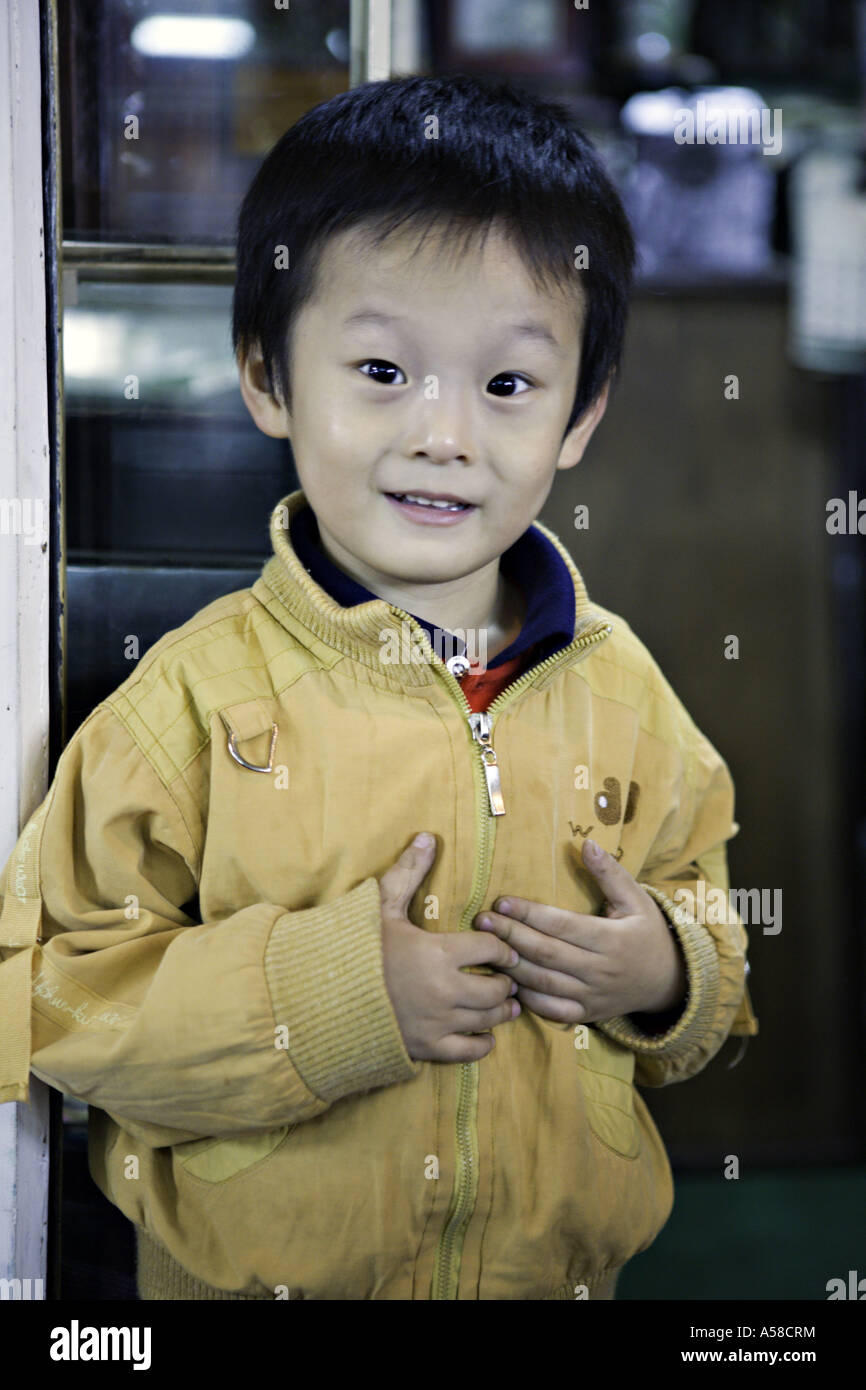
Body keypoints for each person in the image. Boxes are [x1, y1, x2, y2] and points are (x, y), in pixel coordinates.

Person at [0, 73, 758, 1301]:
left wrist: (664, 968)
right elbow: (50, 995)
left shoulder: (620, 687)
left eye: (507, 385)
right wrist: (340, 998)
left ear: (580, 414)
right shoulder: (187, 702)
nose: (444, 433)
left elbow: (713, 915)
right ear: (266, 377)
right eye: (380, 370)